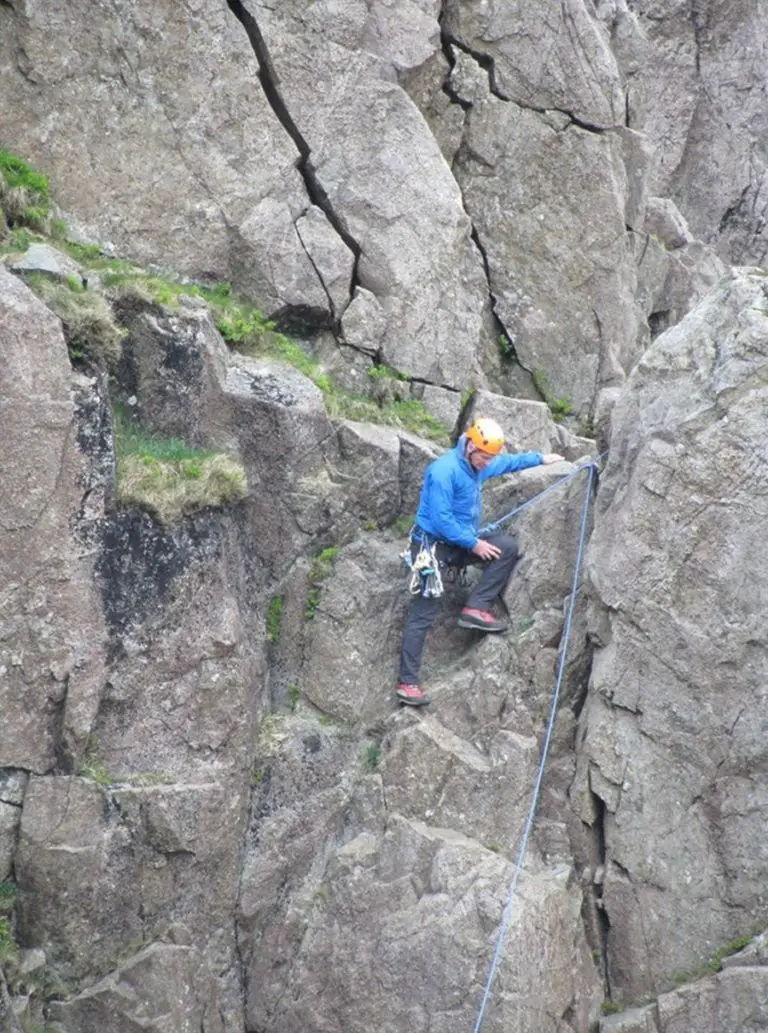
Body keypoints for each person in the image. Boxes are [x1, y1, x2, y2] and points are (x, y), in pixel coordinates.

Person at [396, 417, 564, 707]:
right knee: (423, 614)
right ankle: (407, 683)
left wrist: (542, 459)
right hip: (432, 547)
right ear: (470, 445)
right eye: (484, 457)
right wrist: (474, 543)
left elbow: (508, 463)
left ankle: (476, 608)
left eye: (489, 459)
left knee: (506, 548)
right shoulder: (444, 471)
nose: (487, 463)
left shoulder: (478, 466)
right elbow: (441, 520)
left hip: (458, 543)